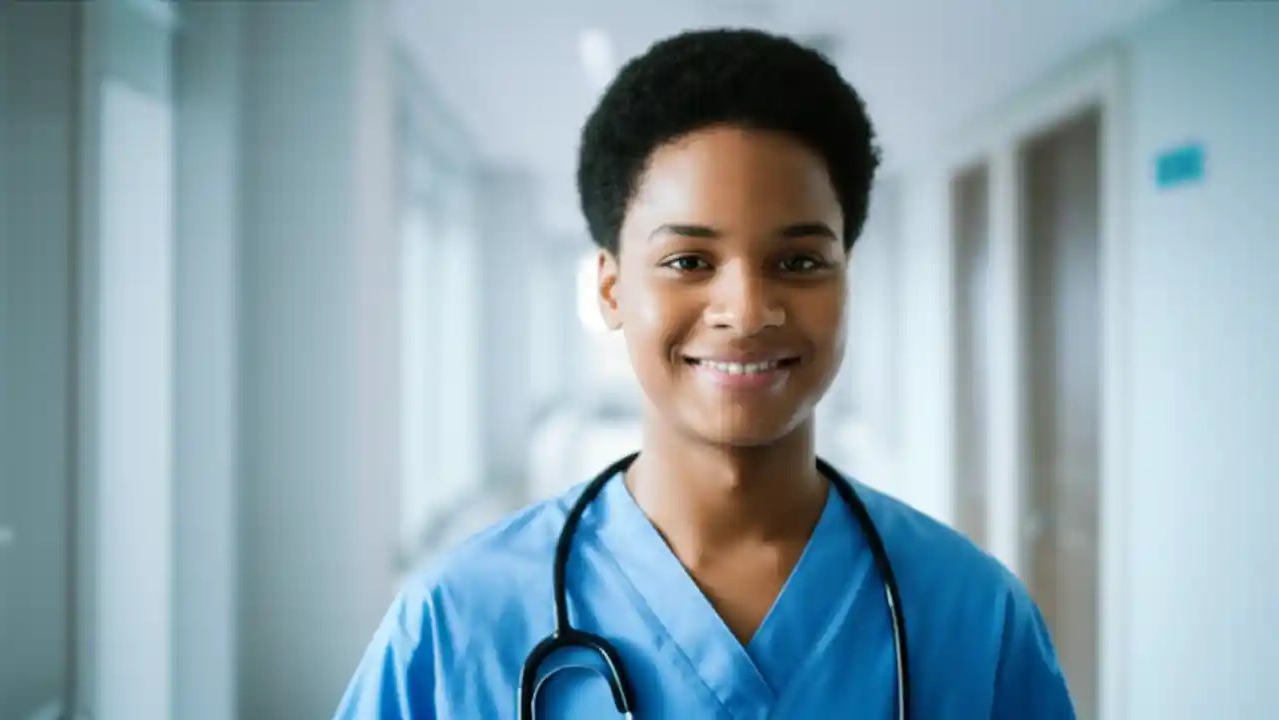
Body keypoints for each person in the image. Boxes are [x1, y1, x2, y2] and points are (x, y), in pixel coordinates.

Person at [334, 28, 1074, 719]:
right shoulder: (456, 623)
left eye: (800, 261)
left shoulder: (976, 620)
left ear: (848, 278)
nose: (747, 310)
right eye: (689, 261)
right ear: (611, 290)